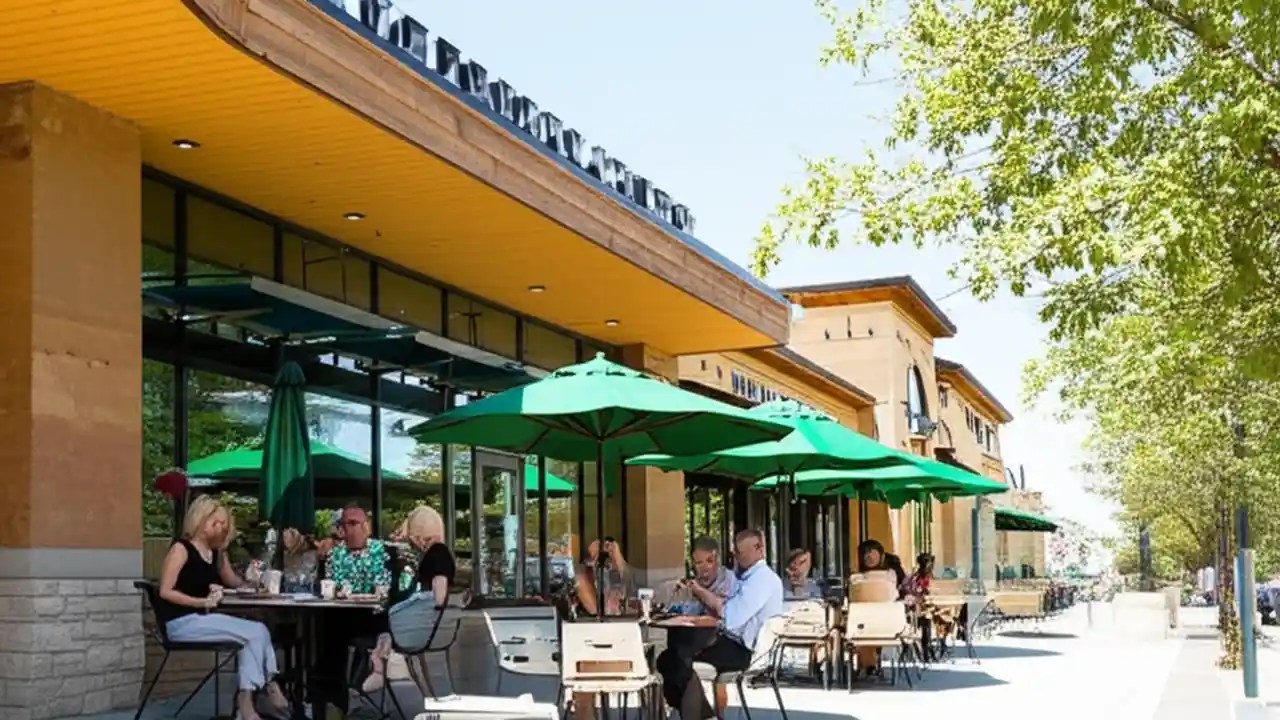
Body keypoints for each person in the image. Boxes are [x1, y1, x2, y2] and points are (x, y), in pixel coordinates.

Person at [157, 497, 288, 720]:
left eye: (224, 524)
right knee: (256, 632)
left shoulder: (216, 552)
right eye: (215, 523)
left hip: (204, 618)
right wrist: (201, 602)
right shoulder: (181, 549)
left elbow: (233, 582)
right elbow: (165, 591)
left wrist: (255, 583)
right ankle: (266, 686)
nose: (221, 528)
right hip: (182, 622)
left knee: (254, 634)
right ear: (200, 520)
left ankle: (245, 706)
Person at [658, 529, 784, 720]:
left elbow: (732, 616)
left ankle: (701, 716)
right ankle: (705, 716)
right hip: (731, 642)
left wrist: (702, 594)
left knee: (675, 656)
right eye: (734, 553)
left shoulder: (762, 580)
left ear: (758, 548)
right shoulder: (749, 578)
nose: (735, 558)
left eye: (739, 553)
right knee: (671, 658)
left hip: (742, 650)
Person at [363, 505, 457, 693]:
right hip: (433, 627)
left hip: (420, 626)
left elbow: (439, 595)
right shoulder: (442, 552)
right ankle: (379, 666)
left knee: (376, 620)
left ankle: (377, 668)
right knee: (381, 621)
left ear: (419, 536)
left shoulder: (437, 553)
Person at [313, 504, 392, 715]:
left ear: (367, 527)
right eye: (344, 524)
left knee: (335, 634)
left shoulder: (382, 552)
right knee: (323, 625)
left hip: (373, 616)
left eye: (354, 523)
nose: (348, 529)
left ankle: (337, 697)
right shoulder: (336, 554)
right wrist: (321, 561)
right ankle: (328, 698)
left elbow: (383, 590)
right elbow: (327, 586)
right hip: (341, 615)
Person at [655, 537, 736, 712]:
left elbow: (723, 613)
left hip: (721, 637)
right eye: (699, 563)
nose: (705, 568)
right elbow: (673, 607)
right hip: (690, 638)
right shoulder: (692, 583)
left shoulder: (729, 580)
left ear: (718, 560)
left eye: (709, 561)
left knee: (670, 660)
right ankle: (701, 713)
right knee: (669, 658)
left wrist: (700, 592)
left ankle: (694, 711)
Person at [574, 537, 632, 616]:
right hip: (593, 618)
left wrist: (616, 555)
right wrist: (593, 557)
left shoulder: (619, 570)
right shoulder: (583, 570)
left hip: (617, 618)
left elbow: (627, 577)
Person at [902, 553, 935, 661]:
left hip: (924, 607)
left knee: (926, 617)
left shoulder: (918, 577)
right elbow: (909, 589)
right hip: (918, 608)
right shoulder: (915, 578)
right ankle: (925, 650)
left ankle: (925, 649)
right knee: (925, 618)